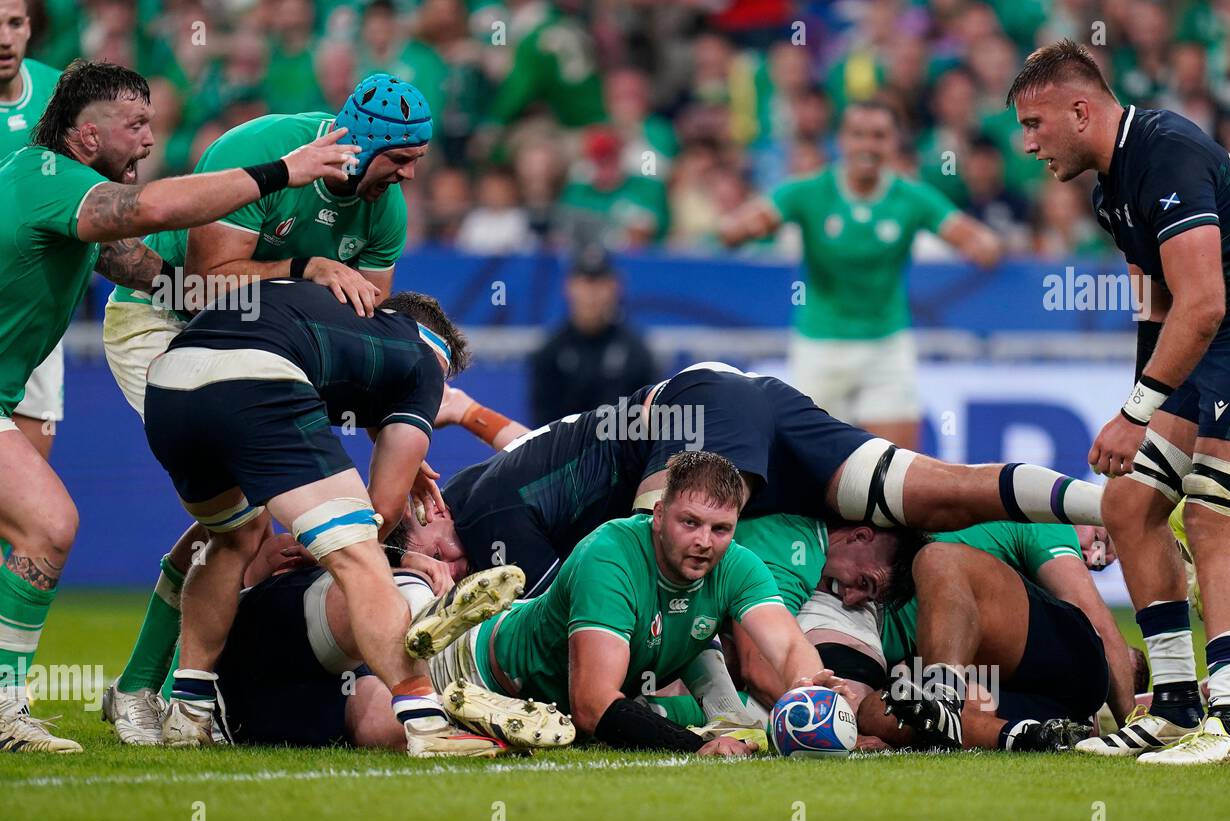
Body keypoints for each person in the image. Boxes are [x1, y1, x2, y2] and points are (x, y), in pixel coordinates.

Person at [0, 59, 357, 753]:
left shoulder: (52, 189)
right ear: (83, 133)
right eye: (134, 126)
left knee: (212, 526)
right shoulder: (55, 180)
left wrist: (224, 299)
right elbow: (152, 210)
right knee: (49, 523)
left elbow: (133, 262)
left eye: (152, 126)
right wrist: (282, 171)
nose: (146, 140)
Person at [101, 73, 434, 746]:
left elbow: (355, 336)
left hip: (262, 357)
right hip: (164, 323)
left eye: (415, 165)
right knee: (245, 525)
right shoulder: (262, 146)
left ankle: (168, 697)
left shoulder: (384, 210)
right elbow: (205, 287)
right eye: (398, 162)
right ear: (361, 145)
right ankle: (150, 691)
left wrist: (389, 425)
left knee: (235, 528)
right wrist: (302, 269)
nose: (404, 179)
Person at [1009, 39, 1230, 764]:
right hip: (1213, 341)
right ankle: (1172, 707)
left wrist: (1136, 413)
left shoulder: (1164, 151)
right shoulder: (1112, 186)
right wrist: (1141, 403)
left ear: (1081, 109)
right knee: (1128, 503)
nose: (1027, 143)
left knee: (1212, 515)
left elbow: (1202, 304)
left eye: (1034, 124)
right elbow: (1157, 303)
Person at [142, 280, 504, 758]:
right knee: (362, 560)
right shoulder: (426, 362)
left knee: (230, 542)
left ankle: (188, 713)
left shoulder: (341, 317)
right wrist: (355, 551)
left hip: (168, 385)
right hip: (255, 377)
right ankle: (425, 723)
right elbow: (384, 510)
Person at [435, 362, 1105, 601]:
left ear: (433, 508)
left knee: (645, 566)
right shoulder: (513, 477)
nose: (445, 567)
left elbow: (549, 625)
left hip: (701, 406)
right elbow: (531, 444)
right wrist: (467, 410)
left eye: (432, 552)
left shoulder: (493, 518)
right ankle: (1097, 503)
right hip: (754, 407)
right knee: (938, 490)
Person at [422, 450, 837, 755]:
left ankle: (489, 727)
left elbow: (785, 644)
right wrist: (694, 745)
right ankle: (424, 597)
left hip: (560, 710)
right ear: (658, 515)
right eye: (689, 522)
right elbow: (593, 705)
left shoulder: (737, 564)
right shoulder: (610, 554)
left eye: (721, 528)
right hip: (477, 665)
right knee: (377, 725)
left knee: (704, 662)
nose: (704, 542)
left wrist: (808, 684)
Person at [719, 101, 1002, 451]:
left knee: (895, 468)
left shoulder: (911, 197)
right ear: (840, 141)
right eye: (858, 135)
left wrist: (983, 245)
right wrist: (743, 228)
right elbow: (734, 228)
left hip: (886, 344)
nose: (868, 145)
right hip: (820, 344)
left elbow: (977, 239)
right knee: (809, 468)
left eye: (879, 136)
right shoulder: (808, 191)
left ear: (894, 143)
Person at [732, 517, 1138, 753]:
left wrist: (1134, 728)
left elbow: (1096, 620)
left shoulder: (1046, 524)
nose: (852, 595)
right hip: (1015, 699)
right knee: (870, 708)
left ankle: (942, 694)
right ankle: (1026, 737)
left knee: (936, 560)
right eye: (1100, 542)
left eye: (868, 585)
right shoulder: (834, 591)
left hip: (1057, 659)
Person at [208, 529, 569, 752]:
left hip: (250, 707)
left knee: (376, 719)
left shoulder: (241, 515)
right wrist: (402, 558)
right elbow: (337, 542)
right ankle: (417, 608)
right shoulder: (282, 490)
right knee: (364, 593)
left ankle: (465, 719)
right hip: (267, 636)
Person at [0, 0, 62, 462]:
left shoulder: (59, 92)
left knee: (30, 472)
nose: (3, 38)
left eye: (14, 23)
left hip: (39, 304)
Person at [528, 244, 658, 426]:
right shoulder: (550, 353)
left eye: (600, 283)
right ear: (569, 287)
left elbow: (652, 421)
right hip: (566, 452)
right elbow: (542, 430)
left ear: (615, 287)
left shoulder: (636, 352)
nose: (592, 294)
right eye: (585, 283)